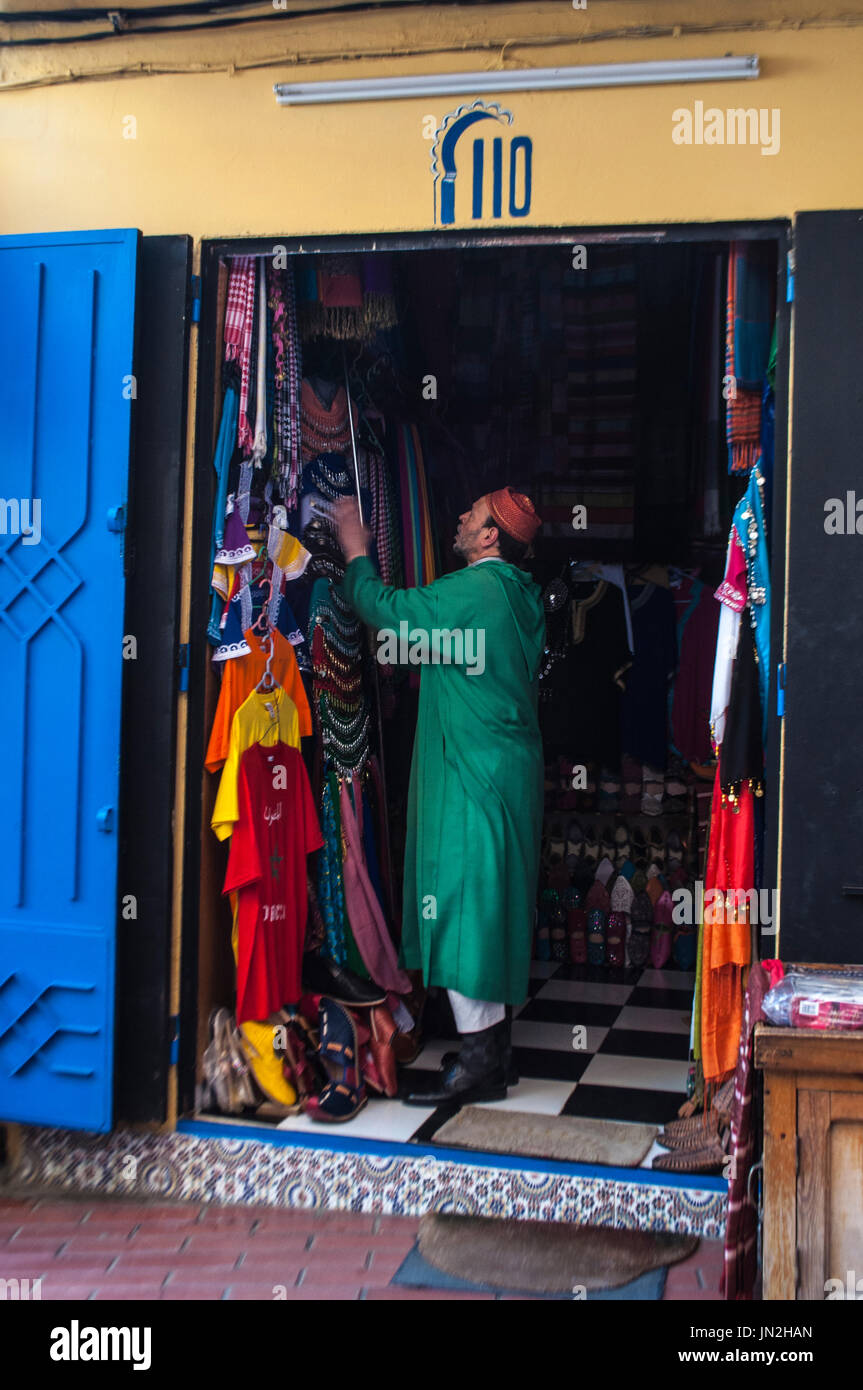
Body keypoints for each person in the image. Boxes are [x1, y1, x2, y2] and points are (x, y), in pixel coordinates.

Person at [334, 486, 545, 1105]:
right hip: (505, 771)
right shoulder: (514, 596)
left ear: (488, 538)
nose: (458, 516)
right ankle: (494, 1053)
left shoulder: (477, 590)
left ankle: (479, 1066)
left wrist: (354, 551)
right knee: (493, 904)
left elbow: (390, 612)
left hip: (474, 776)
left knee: (463, 906)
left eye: (470, 513)